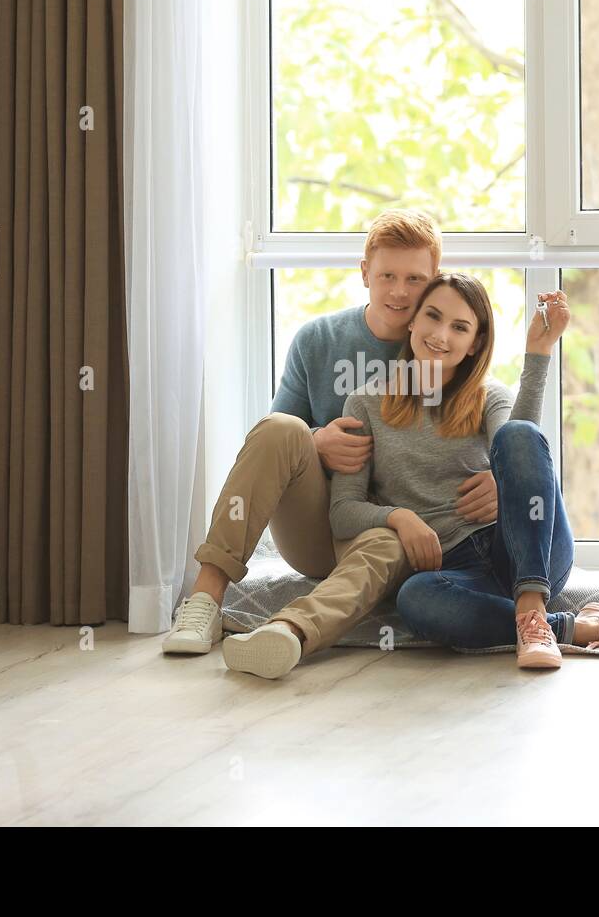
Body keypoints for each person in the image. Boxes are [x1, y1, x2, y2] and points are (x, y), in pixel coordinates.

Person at [163, 210, 506, 680]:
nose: (400, 291)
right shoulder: (317, 341)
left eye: (414, 279)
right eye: (387, 275)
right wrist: (316, 439)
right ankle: (205, 598)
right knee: (282, 427)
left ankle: (287, 635)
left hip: (392, 538)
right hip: (320, 523)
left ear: (432, 286)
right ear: (365, 272)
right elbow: (274, 439)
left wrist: (500, 478)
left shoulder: (439, 344)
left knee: (385, 541)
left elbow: (496, 423)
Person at [328, 273, 599, 669]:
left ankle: (531, 601)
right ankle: (573, 628)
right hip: (454, 572)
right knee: (414, 599)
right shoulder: (363, 404)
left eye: (459, 327)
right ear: (412, 320)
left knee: (518, 433)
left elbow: (520, 442)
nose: (441, 335)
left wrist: (539, 351)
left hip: (527, 550)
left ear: (474, 343)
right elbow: (343, 510)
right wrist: (398, 517)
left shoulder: (490, 396)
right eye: (432, 316)